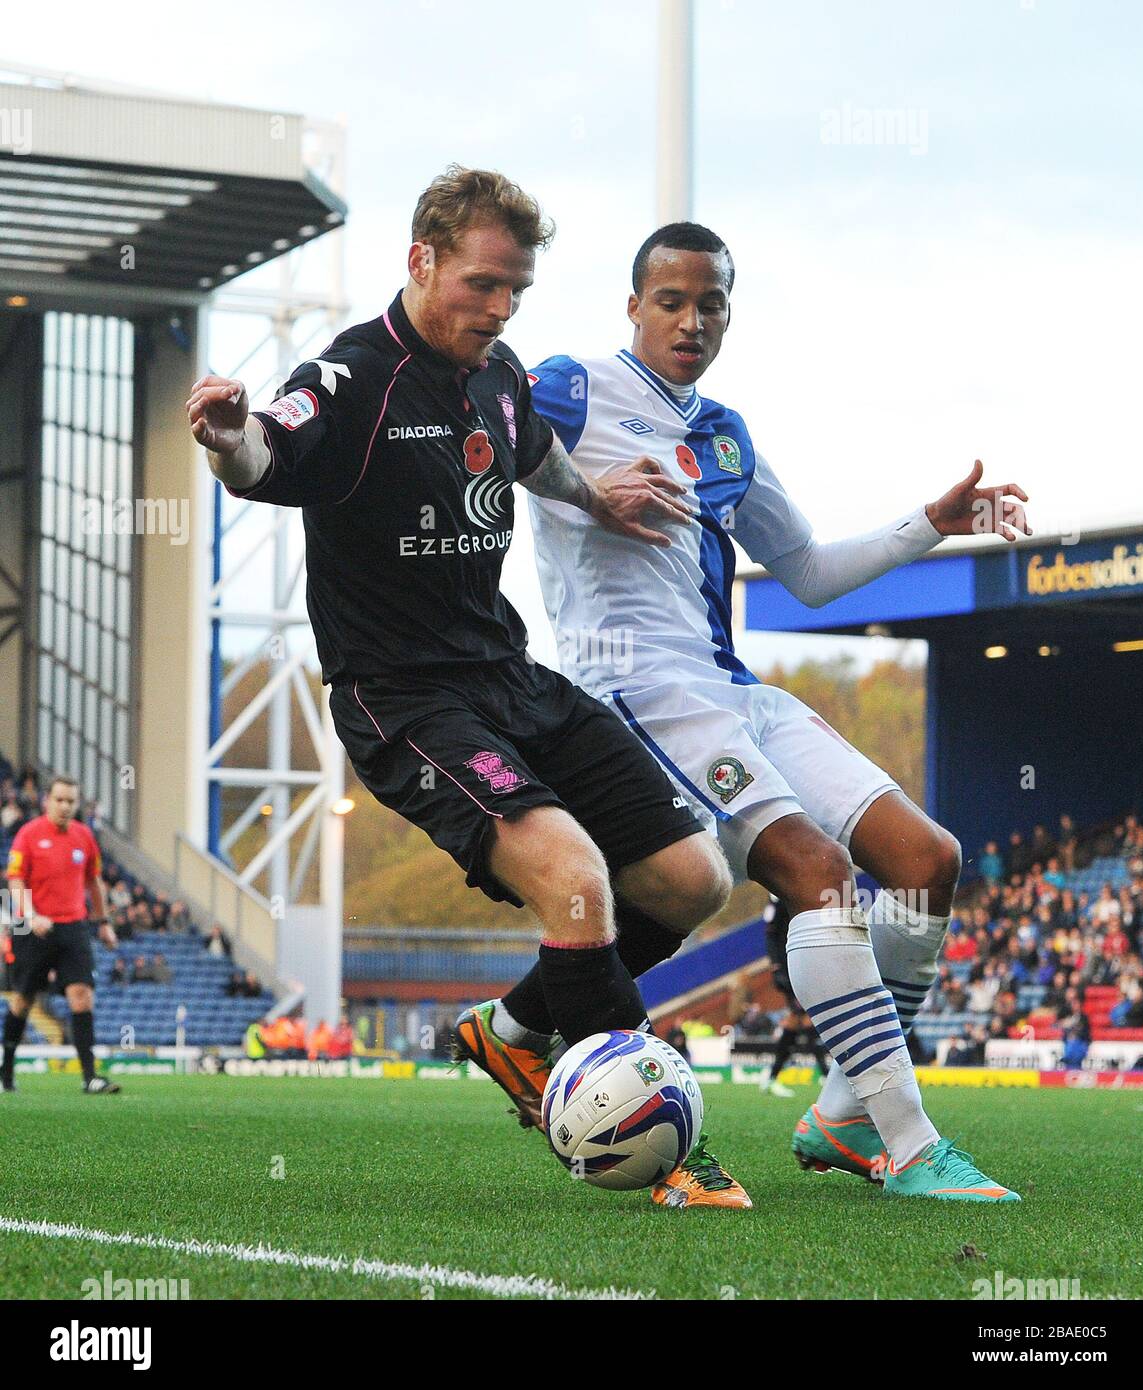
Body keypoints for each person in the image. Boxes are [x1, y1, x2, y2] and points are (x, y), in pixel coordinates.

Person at [187, 167, 743, 1208]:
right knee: (573, 880)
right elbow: (266, 446)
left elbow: (534, 457)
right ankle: (653, 1143)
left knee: (690, 878)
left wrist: (597, 495)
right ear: (421, 261)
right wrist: (226, 437)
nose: (496, 311)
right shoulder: (354, 376)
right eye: (481, 285)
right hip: (400, 695)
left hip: (506, 672)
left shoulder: (498, 371)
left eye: (515, 293)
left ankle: (514, 1030)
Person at [518, 222, 1029, 1202]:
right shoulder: (571, 387)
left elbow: (805, 572)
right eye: (670, 299)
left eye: (710, 303)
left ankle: (841, 1116)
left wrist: (932, 521)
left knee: (927, 862)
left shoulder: (724, 434)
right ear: (632, 306)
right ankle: (911, 1143)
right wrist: (578, 488)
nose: (690, 319)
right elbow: (490, 442)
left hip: (732, 687)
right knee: (816, 875)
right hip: (636, 687)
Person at [1, 775, 121, 1094]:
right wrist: (30, 915)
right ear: (47, 801)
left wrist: (103, 922)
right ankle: (6, 1071)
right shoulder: (28, 835)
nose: (65, 806)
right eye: (59, 800)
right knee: (24, 999)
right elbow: (15, 881)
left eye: (71, 801)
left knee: (82, 995)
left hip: (74, 927)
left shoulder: (84, 837)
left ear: (77, 804)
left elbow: (94, 882)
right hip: (33, 928)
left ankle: (90, 1077)